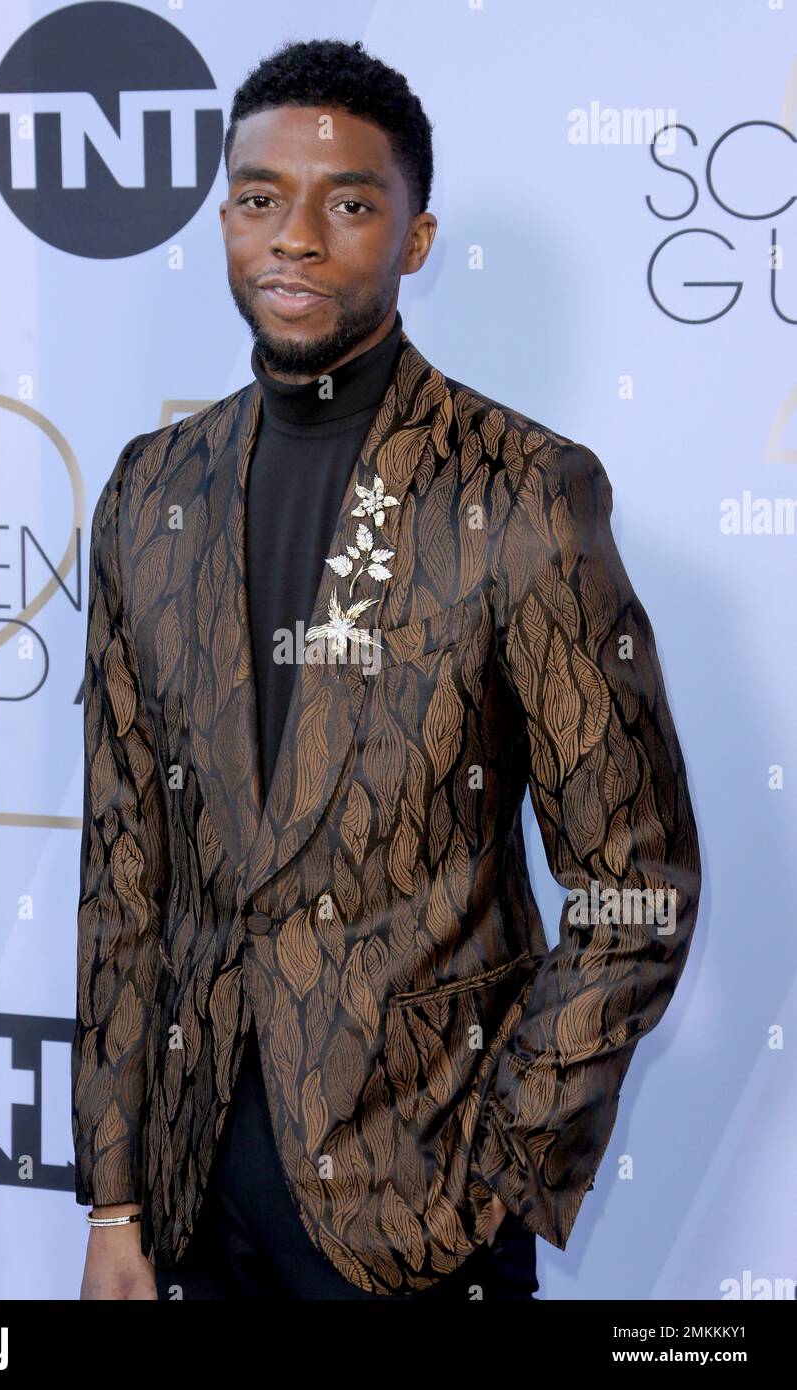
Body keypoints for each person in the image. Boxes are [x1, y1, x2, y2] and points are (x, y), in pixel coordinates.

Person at [72, 38, 701, 1301]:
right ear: (224, 218)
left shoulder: (520, 489)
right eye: (259, 198)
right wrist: (116, 1196)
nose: (294, 238)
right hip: (193, 1198)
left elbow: (635, 875)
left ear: (413, 240)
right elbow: (125, 862)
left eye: (347, 203)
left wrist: (507, 1163)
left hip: (422, 1205)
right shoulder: (151, 492)